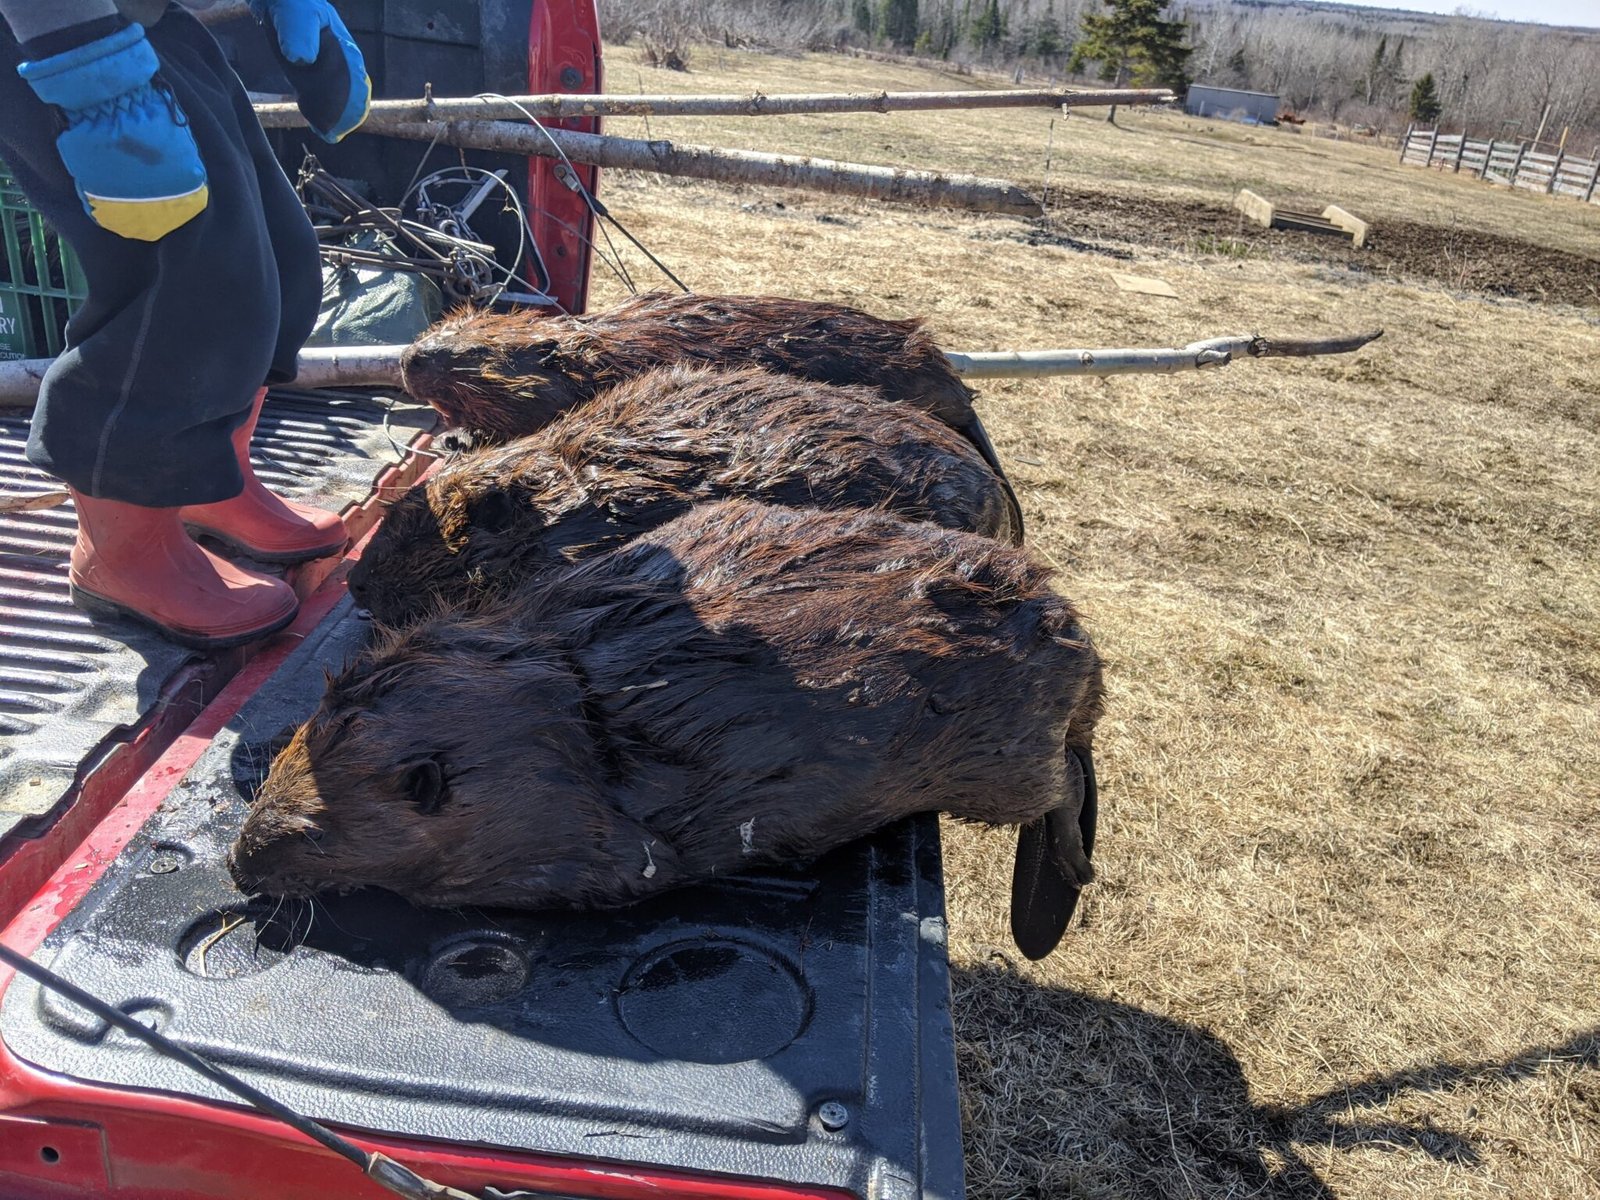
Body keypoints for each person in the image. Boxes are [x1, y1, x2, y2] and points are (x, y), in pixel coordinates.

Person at [0, 0, 370, 648]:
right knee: (186, 284)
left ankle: (204, 479)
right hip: (63, 40)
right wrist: (87, 66)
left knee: (281, 256)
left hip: (155, 24)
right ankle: (123, 554)